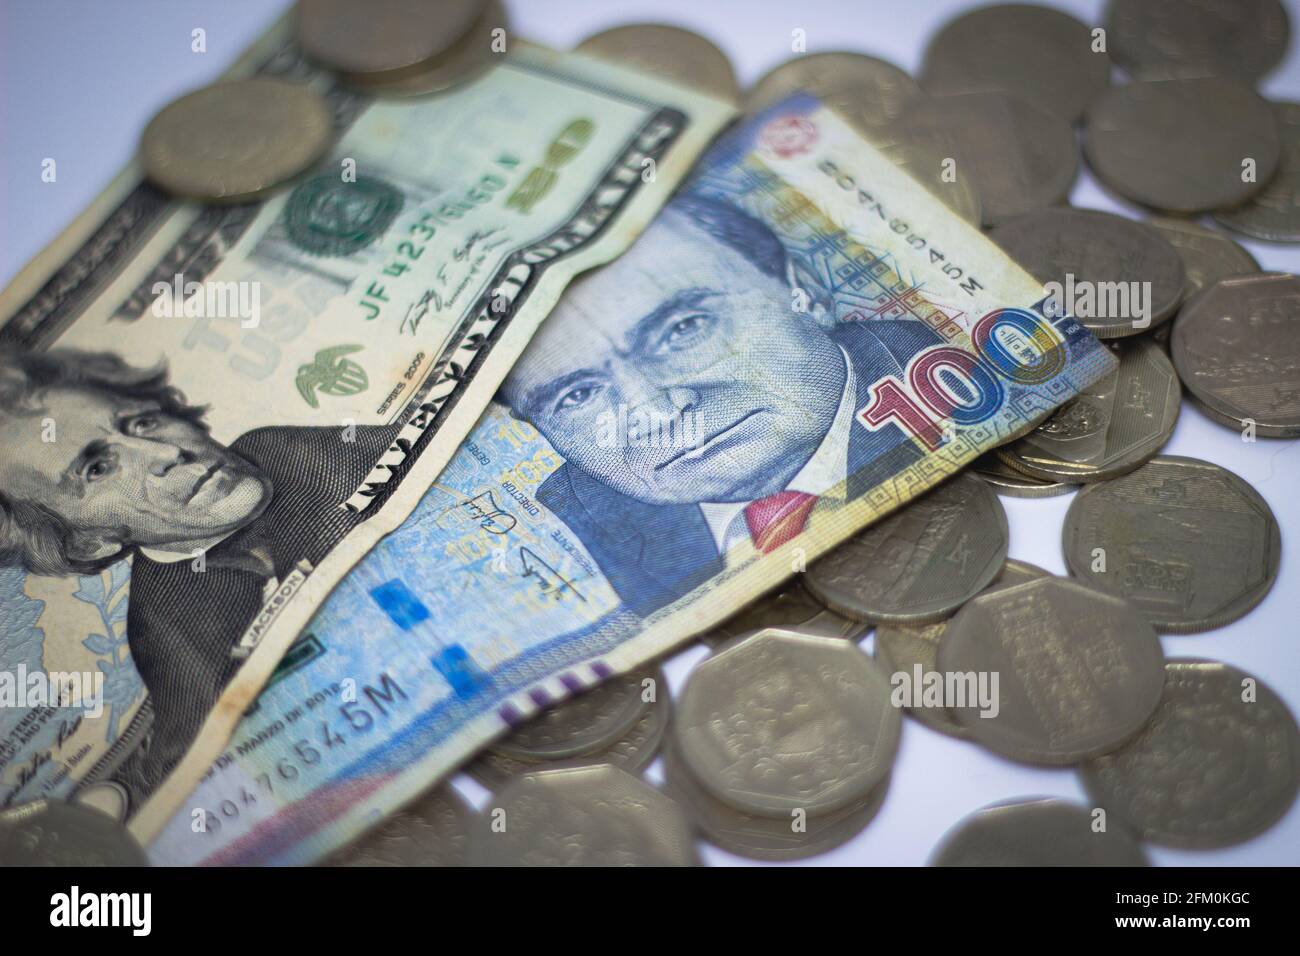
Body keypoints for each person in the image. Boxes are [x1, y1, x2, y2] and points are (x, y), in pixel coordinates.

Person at [501, 193, 943, 616]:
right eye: (577, 396)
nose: (654, 411)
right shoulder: (575, 541)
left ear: (804, 291)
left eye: (685, 328)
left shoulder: (954, 389)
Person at [0, 347, 400, 812]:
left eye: (142, 424)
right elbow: (194, 749)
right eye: (98, 468)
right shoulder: (161, 621)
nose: (168, 453)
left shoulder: (286, 452)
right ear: (89, 542)